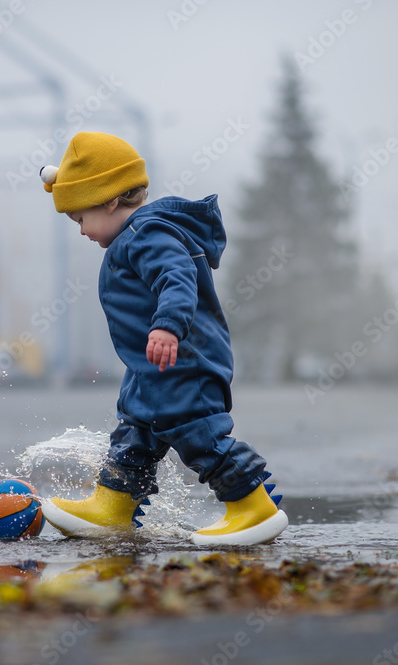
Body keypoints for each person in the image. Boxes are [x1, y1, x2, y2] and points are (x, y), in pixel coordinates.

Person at [37, 131, 288, 546]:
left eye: (80, 218)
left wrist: (168, 325)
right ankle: (113, 506)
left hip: (183, 361)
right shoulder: (132, 237)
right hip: (152, 366)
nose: (80, 230)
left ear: (111, 200)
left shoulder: (147, 234)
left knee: (196, 433)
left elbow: (177, 277)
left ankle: (252, 506)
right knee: (134, 432)